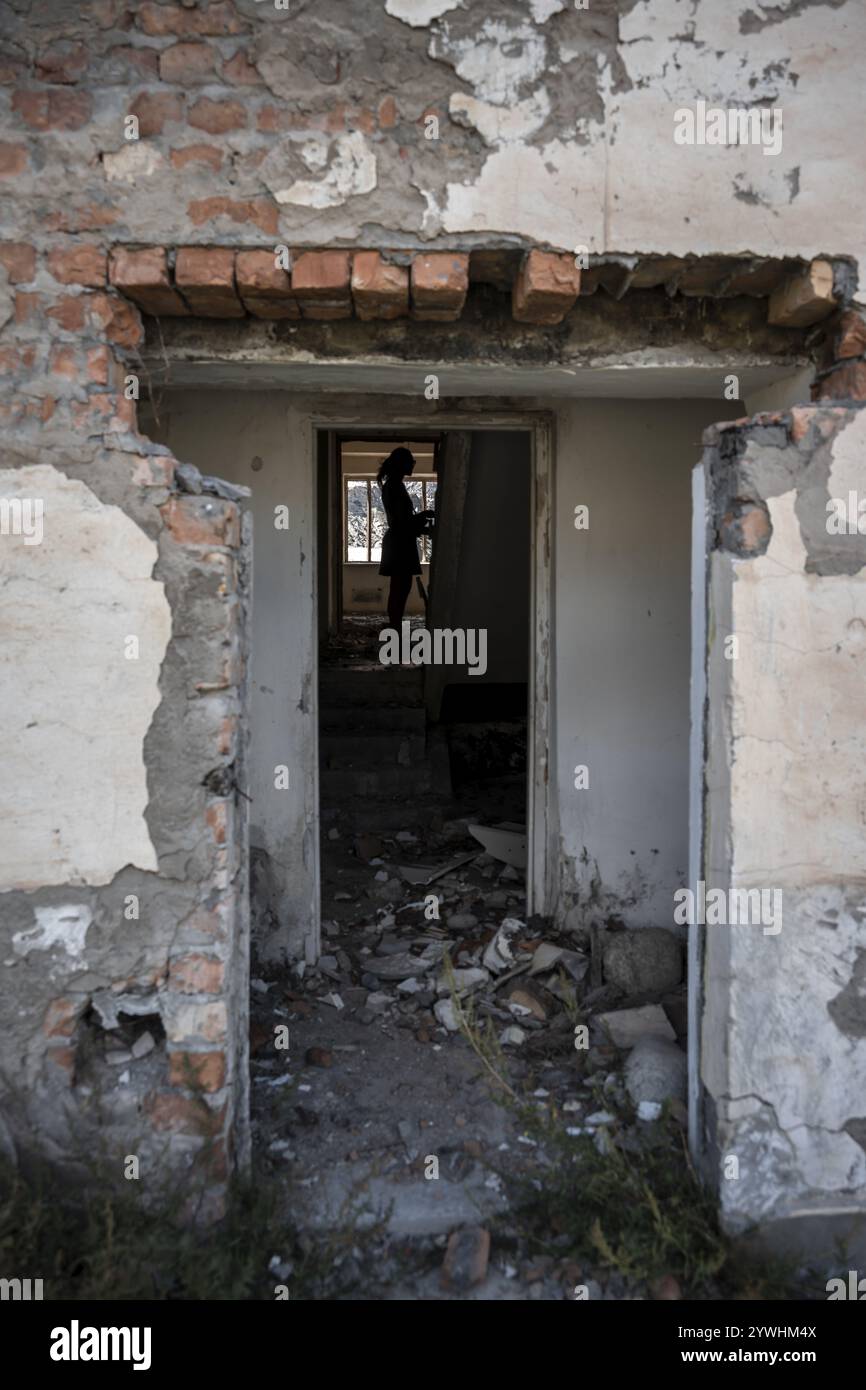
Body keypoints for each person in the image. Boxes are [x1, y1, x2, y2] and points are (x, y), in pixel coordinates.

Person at [376, 446, 434, 628]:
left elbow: (403, 521)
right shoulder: (394, 486)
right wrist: (423, 517)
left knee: (400, 589)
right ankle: (395, 628)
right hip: (400, 543)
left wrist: (421, 521)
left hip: (399, 542)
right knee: (400, 589)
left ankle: (395, 627)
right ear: (402, 464)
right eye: (411, 462)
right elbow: (402, 521)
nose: (413, 465)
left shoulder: (394, 484)